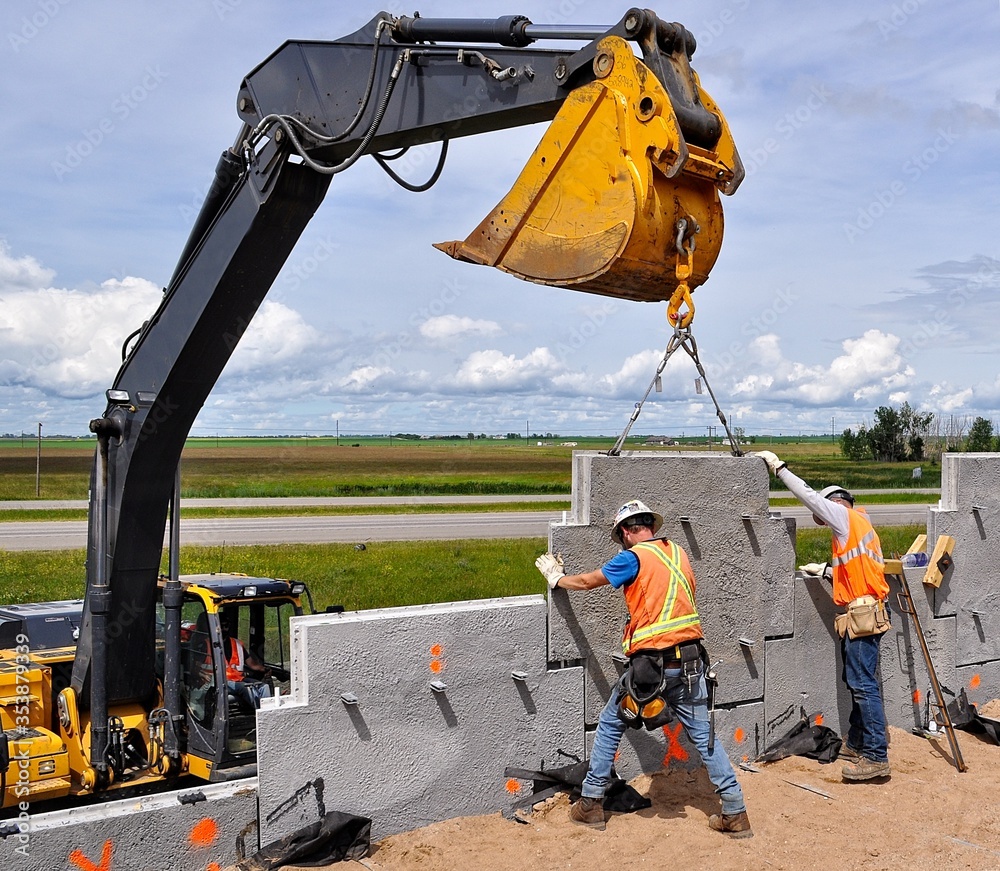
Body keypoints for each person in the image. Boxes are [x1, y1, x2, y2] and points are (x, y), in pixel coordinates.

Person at [534, 499, 752, 838]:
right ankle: (736, 811)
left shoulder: (633, 557)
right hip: (692, 661)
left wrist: (558, 579)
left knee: (609, 723)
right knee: (704, 737)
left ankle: (591, 803)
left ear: (625, 532)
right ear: (651, 525)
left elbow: (591, 581)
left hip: (653, 667)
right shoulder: (677, 553)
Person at [755, 450, 891, 781]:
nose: (822, 518)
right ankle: (859, 743)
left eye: (824, 513)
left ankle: (876, 755)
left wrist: (780, 469)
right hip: (867, 611)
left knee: (862, 685)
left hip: (861, 614)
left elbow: (809, 496)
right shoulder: (862, 524)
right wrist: (829, 570)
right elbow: (862, 574)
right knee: (859, 681)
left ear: (836, 504)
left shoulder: (844, 517)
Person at [219, 611, 272, 711]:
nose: (223, 629)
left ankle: (268, 712)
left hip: (238, 679)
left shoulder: (237, 644)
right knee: (246, 688)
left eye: (226, 626)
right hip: (220, 681)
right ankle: (258, 712)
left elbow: (251, 664)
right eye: (221, 626)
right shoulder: (208, 645)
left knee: (264, 687)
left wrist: (264, 669)